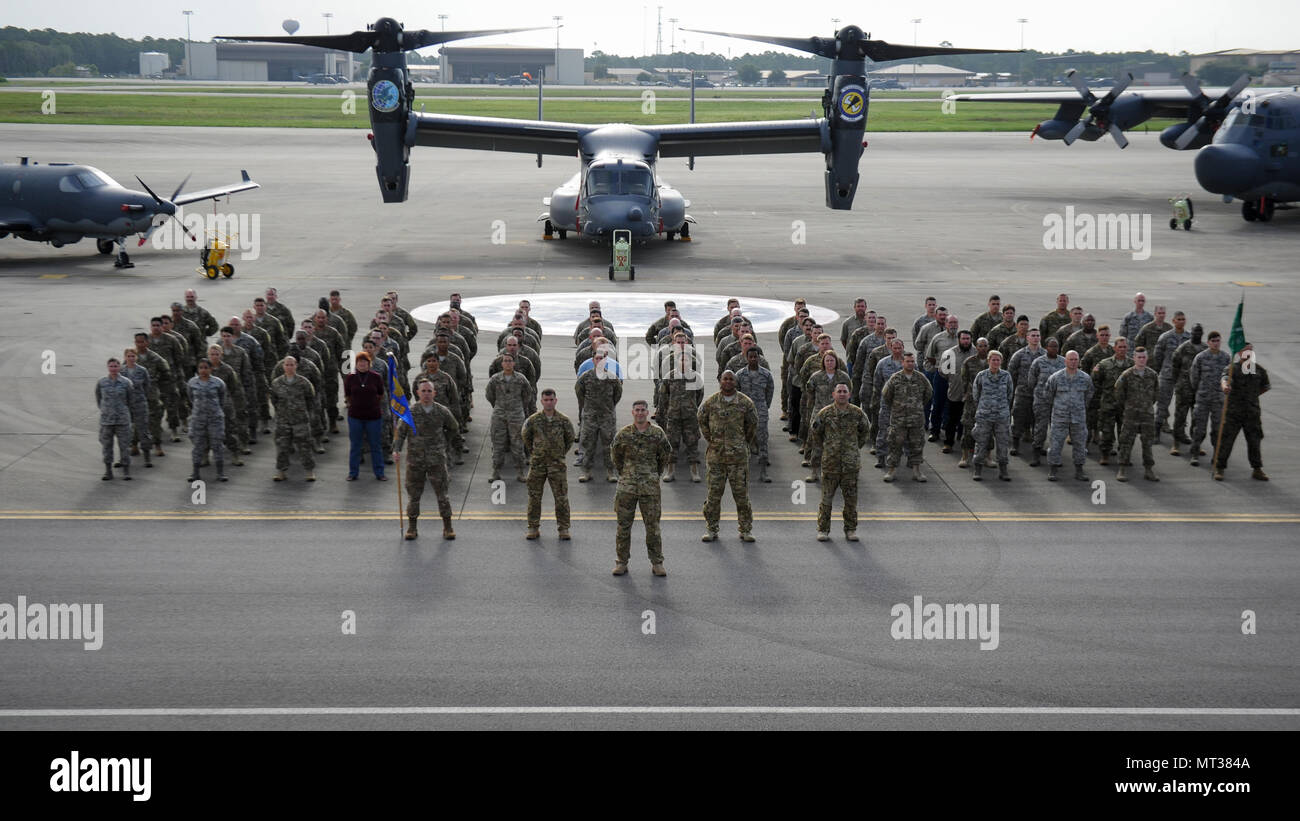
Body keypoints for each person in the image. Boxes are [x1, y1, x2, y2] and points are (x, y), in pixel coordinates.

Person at [610, 399, 673, 576]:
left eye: (643, 410)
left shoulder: (657, 433)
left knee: (652, 527)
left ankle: (657, 563)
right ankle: (621, 562)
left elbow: (664, 455)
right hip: (627, 488)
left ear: (647, 412)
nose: (639, 413)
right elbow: (616, 456)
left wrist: (654, 473)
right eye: (636, 410)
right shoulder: (624, 434)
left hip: (649, 488)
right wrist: (626, 473)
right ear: (632, 413)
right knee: (623, 526)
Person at [394, 380, 463, 540]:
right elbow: (401, 433)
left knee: (442, 495)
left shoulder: (441, 411)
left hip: (436, 460)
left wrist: (444, 442)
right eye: (423, 391)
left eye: (429, 391)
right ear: (418, 393)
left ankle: (448, 527)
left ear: (434, 393)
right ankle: (412, 528)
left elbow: (454, 427)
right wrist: (396, 449)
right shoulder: (410, 412)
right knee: (414, 495)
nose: (426, 394)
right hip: (415, 460)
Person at [697, 370, 759, 542]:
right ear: (720, 381)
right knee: (713, 495)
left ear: (735, 382)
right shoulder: (711, 402)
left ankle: (745, 529)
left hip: (738, 458)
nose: (728, 381)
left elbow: (752, 425)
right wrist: (711, 439)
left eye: (731, 379)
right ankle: (711, 528)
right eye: (725, 379)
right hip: (716, 457)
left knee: (741, 496)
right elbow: (701, 419)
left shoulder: (745, 403)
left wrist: (741, 442)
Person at [808, 383, 870, 541]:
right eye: (839, 392)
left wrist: (854, 448)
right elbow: (816, 433)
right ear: (833, 394)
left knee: (851, 500)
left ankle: (850, 529)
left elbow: (865, 432)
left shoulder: (857, 413)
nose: (842, 394)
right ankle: (823, 529)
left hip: (850, 465)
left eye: (844, 392)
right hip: (831, 464)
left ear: (849, 395)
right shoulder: (825, 413)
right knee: (826, 499)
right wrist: (828, 447)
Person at [522, 388, 577, 540]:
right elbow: (526, 437)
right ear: (541, 401)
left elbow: (570, 438)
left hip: (557, 465)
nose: (548, 402)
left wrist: (559, 453)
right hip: (538, 464)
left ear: (555, 401)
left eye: (551, 399)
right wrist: (536, 452)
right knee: (534, 497)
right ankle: (533, 527)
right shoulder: (533, 420)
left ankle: (563, 529)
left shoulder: (563, 420)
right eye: (546, 400)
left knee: (561, 498)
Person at [1214, 345, 1270, 481]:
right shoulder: (1232, 368)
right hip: (1234, 413)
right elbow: (1225, 378)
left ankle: (1257, 469)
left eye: (1250, 350)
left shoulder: (1259, 370)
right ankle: (1219, 468)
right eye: (1246, 350)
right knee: (1226, 441)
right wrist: (1225, 387)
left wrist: (1252, 397)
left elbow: (1265, 386)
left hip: (1252, 413)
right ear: (1239, 353)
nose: (1249, 353)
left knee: (1254, 442)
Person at [658, 333, 703, 482]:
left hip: (690, 416)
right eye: (681, 359)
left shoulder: (695, 377)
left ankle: (694, 471)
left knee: (692, 443)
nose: (684, 361)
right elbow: (663, 397)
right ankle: (670, 471)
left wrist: (693, 407)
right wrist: (666, 412)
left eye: (687, 359)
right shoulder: (669, 376)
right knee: (672, 443)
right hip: (674, 416)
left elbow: (700, 394)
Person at [881, 352, 932, 483]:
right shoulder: (895, 378)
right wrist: (898, 407)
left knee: (917, 444)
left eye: (912, 361)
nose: (910, 364)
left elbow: (928, 394)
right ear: (902, 363)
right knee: (894, 444)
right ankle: (892, 470)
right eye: (908, 361)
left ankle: (916, 471)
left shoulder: (921, 378)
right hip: (899, 419)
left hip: (916, 419)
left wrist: (917, 407)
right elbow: (887, 396)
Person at [1044, 350, 1094, 481]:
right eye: (1070, 359)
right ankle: (1053, 470)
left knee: (1080, 445)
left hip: (1078, 418)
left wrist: (1079, 408)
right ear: (1065, 361)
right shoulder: (1056, 377)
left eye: (1075, 360)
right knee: (1055, 444)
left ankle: (1079, 470)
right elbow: (1048, 395)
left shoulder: (1085, 378)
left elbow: (1088, 396)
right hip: (1060, 417)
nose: (1073, 362)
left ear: (1079, 361)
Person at [486, 353, 535, 482]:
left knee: (518, 444)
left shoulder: (521, 379)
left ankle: (520, 472)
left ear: (514, 363)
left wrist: (519, 407)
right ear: (502, 364)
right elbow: (489, 395)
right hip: (499, 415)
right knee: (498, 444)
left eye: (510, 361)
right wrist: (498, 406)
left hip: (516, 415)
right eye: (505, 361)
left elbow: (527, 395)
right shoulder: (495, 379)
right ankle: (495, 472)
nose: (507, 363)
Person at [1114, 347, 1160, 482]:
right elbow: (1118, 393)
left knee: (1147, 443)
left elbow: (1156, 394)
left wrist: (1146, 405)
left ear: (1147, 358)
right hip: (1131, 414)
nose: (1141, 359)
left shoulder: (1152, 375)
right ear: (1134, 358)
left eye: (1143, 357)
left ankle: (1148, 470)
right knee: (1126, 442)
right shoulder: (1126, 375)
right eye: (1139, 357)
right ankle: (1122, 469)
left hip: (1147, 414)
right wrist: (1128, 406)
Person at [574, 352, 621, 483]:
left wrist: (609, 406)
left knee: (609, 445)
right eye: (597, 359)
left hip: (607, 416)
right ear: (593, 360)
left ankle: (611, 471)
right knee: (588, 444)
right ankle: (586, 471)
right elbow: (579, 392)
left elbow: (617, 394)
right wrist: (588, 407)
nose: (600, 361)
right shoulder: (585, 377)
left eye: (602, 359)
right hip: (590, 417)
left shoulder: (612, 377)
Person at [270, 356, 317, 482]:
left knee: (304, 446)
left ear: (296, 366)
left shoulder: (304, 382)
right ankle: (281, 472)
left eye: (291, 364)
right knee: (282, 447)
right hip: (283, 420)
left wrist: (305, 412)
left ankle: (309, 471)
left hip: (300, 420)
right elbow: (274, 400)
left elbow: (310, 399)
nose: (289, 367)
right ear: (283, 366)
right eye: (287, 364)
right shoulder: (276, 383)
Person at [1187, 332, 1230, 467]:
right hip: (1203, 398)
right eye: (1213, 340)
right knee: (1199, 428)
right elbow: (1194, 377)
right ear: (1208, 342)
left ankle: (1216, 456)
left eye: (1218, 340)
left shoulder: (1226, 357)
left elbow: (1229, 376)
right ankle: (1195, 453)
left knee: (1217, 430)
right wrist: (1199, 392)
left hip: (1218, 400)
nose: (1216, 343)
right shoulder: (1201, 357)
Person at [970, 350, 1014, 481]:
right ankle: (978, 469)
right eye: (993, 360)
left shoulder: (1006, 376)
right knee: (981, 442)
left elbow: (1009, 394)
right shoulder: (982, 376)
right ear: (988, 361)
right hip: (984, 415)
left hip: (1001, 416)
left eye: (998, 360)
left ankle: (1003, 470)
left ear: (1001, 362)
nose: (996, 362)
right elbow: (976, 395)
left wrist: (1002, 408)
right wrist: (985, 407)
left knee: (1003, 443)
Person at [343, 351, 385, 481]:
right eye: (360, 362)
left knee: (376, 445)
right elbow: (347, 394)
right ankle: (353, 473)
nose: (362, 364)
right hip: (355, 416)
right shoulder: (350, 377)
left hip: (373, 417)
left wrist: (371, 404)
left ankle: (379, 473)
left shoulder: (376, 377)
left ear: (369, 363)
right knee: (355, 445)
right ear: (356, 364)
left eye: (365, 362)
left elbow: (380, 393)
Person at [736, 346, 775, 483]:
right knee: (743, 441)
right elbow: (737, 393)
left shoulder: (766, 374)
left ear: (759, 357)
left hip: (760, 410)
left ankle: (763, 471)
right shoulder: (740, 375)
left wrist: (765, 405)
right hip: (744, 412)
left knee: (762, 440)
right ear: (746, 358)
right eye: (750, 357)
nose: (753, 359)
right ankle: (743, 473)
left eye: (755, 357)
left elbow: (770, 391)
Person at [186, 358, 228, 483]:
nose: (203, 370)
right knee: (198, 445)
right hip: (198, 419)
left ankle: (220, 473)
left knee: (217, 445)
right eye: (201, 368)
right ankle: (195, 473)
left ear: (211, 369)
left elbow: (222, 398)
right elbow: (191, 398)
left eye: (206, 368)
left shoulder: (218, 383)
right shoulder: (192, 383)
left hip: (215, 419)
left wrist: (214, 411)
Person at [1091, 337, 1131, 465]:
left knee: (1125, 433)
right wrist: (1102, 397)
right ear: (1114, 348)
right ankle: (1105, 455)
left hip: (1125, 405)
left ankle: (1124, 455)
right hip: (1108, 404)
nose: (1122, 349)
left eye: (1124, 347)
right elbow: (1095, 381)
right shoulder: (1104, 364)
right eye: (1120, 347)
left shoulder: (1131, 364)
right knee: (1107, 432)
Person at [95, 358, 136, 480]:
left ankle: (126, 471)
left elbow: (130, 400)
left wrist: (123, 411)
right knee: (107, 446)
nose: (113, 368)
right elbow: (99, 399)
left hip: (122, 420)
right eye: (111, 366)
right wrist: (105, 410)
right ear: (108, 367)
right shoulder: (101, 382)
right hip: (107, 420)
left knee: (124, 446)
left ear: (119, 367)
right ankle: (108, 471)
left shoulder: (126, 382)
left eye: (116, 366)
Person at [119, 349, 154, 468]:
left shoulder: (142, 370)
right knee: (124, 432)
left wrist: (141, 398)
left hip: (139, 404)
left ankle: (147, 458)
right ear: (125, 357)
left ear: (136, 357)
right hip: (126, 405)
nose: (131, 358)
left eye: (133, 356)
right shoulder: (121, 371)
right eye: (128, 356)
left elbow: (147, 386)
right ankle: (123, 457)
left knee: (143, 431)